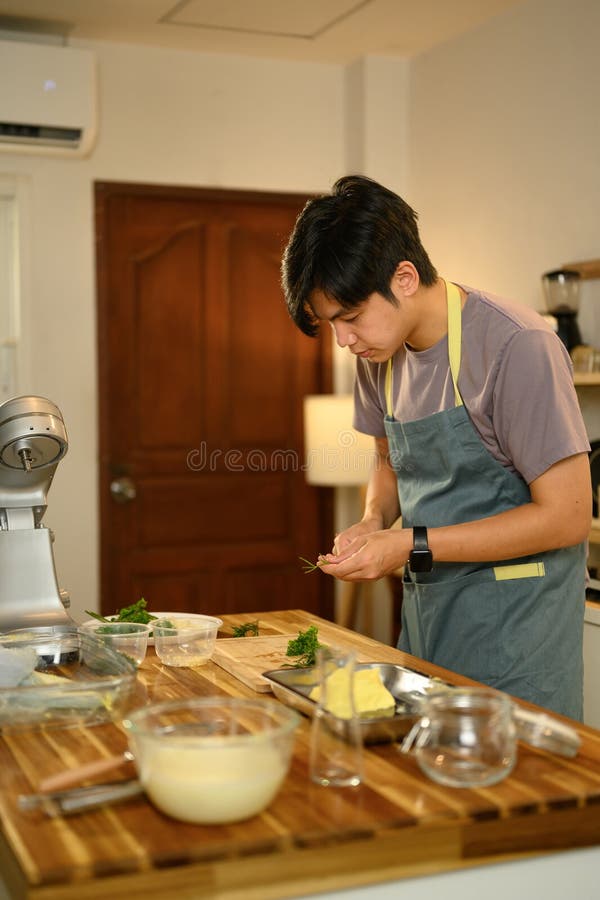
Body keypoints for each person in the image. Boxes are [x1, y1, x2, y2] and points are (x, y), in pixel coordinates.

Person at [281, 174, 591, 720]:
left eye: (350, 318)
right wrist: (374, 520)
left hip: (517, 638)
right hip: (428, 626)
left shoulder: (516, 347)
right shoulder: (378, 354)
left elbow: (567, 517)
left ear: (403, 278)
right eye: (330, 324)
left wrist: (409, 544)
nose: (343, 340)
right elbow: (389, 456)